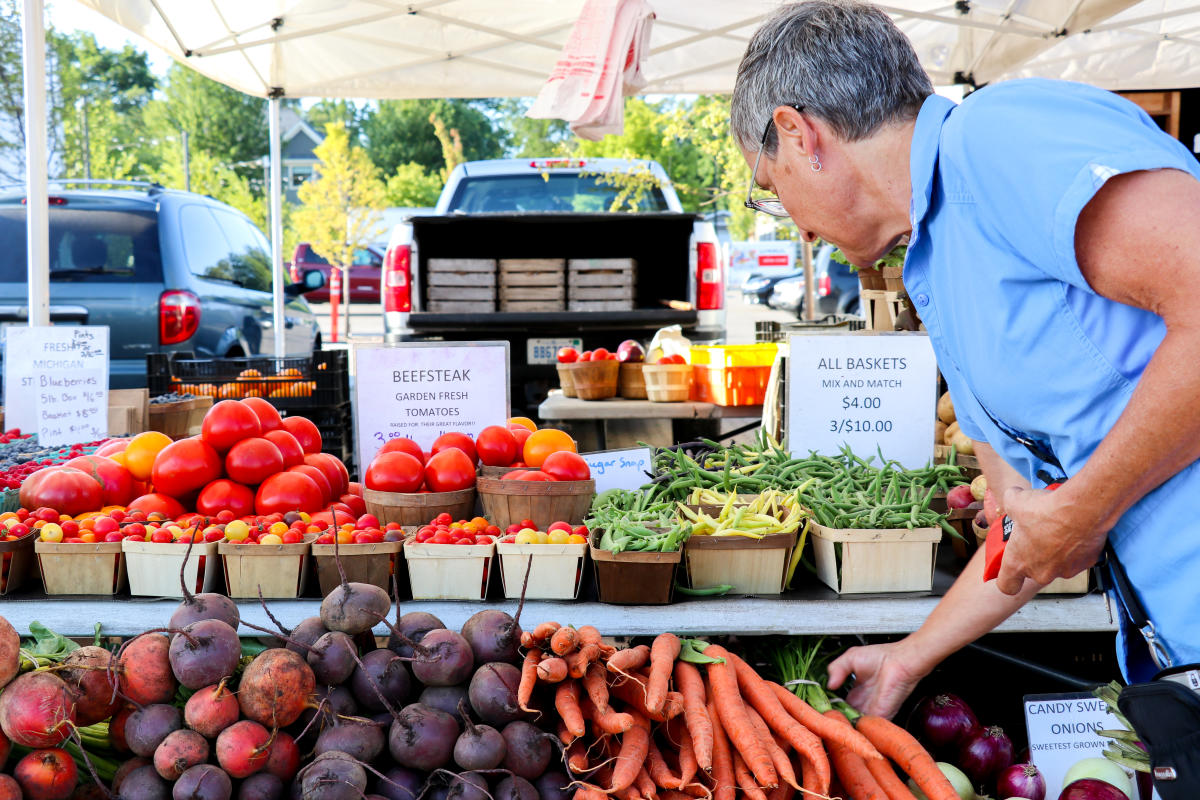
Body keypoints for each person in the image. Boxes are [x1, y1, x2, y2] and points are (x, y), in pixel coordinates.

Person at [731, 0, 1200, 719]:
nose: (791, 218)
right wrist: (909, 657)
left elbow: (1069, 515)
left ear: (799, 135)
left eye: (770, 187)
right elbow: (1026, 526)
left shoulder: (999, 136)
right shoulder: (933, 261)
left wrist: (1084, 505)